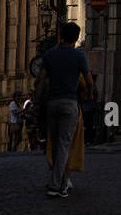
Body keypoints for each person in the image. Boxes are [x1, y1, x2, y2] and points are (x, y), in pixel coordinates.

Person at [36, 20, 94, 197]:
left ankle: (57, 180)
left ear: (61, 35)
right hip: (69, 103)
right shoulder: (79, 56)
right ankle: (57, 186)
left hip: (52, 103)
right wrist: (89, 95)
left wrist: (37, 101)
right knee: (64, 145)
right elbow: (89, 81)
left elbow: (41, 80)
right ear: (76, 38)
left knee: (54, 143)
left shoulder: (50, 54)